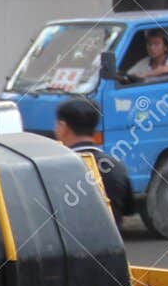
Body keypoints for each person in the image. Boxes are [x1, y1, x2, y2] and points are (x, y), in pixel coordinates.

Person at [54, 97, 132, 227]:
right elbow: (125, 211)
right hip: (110, 239)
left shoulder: (55, 169)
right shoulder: (116, 166)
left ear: (63, 127)